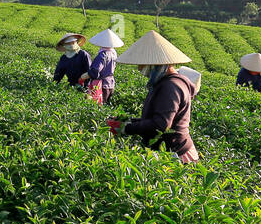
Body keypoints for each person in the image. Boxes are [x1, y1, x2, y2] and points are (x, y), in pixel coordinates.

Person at [106, 30, 200, 164]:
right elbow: (156, 118)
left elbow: (160, 124)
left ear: (155, 64)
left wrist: (126, 128)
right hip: (168, 149)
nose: (139, 68)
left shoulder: (170, 87)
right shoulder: (166, 82)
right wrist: (128, 121)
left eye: (142, 64)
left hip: (174, 154)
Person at [79, 28, 123, 103]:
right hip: (111, 84)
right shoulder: (113, 53)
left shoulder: (103, 55)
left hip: (101, 85)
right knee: (106, 105)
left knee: (99, 105)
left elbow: (95, 71)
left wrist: (82, 77)